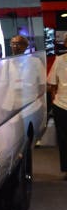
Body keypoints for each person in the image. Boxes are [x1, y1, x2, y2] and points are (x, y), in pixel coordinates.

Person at [47, 35, 67, 179]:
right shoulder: (59, 60)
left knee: (64, 139)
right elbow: (52, 85)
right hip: (61, 105)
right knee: (63, 139)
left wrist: (54, 98)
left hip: (61, 105)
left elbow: (52, 85)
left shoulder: (59, 61)